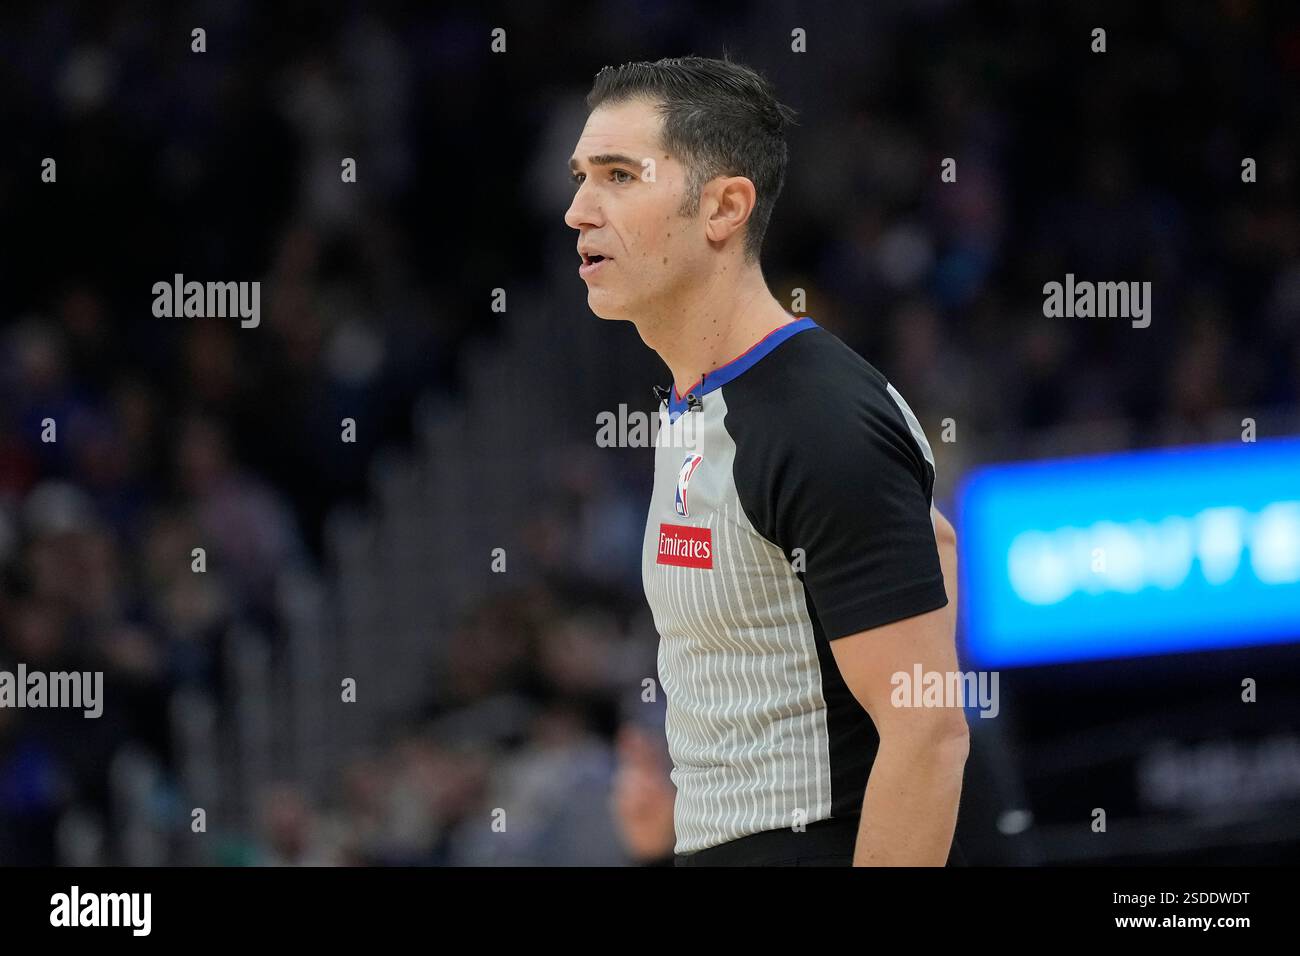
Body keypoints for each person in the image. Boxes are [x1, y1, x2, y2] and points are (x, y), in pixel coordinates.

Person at [567, 55, 967, 866]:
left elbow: (927, 729)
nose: (578, 209)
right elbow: (934, 546)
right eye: (581, 176)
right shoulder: (698, 404)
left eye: (617, 175)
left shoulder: (819, 418)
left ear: (723, 207)